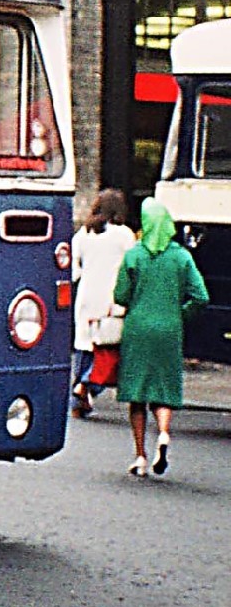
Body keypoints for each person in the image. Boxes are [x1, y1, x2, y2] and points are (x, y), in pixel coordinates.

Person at [113, 198, 208, 477]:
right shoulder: (181, 257)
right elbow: (201, 296)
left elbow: (120, 295)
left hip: (138, 329)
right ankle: (164, 433)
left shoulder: (135, 255)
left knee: (137, 394)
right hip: (169, 329)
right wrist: (181, 314)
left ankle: (140, 456)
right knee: (163, 390)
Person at [69, 188, 134, 417]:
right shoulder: (124, 235)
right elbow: (132, 267)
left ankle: (78, 403)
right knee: (108, 352)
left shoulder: (83, 234)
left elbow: (73, 271)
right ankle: (86, 385)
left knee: (84, 349)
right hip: (110, 299)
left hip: (86, 297)